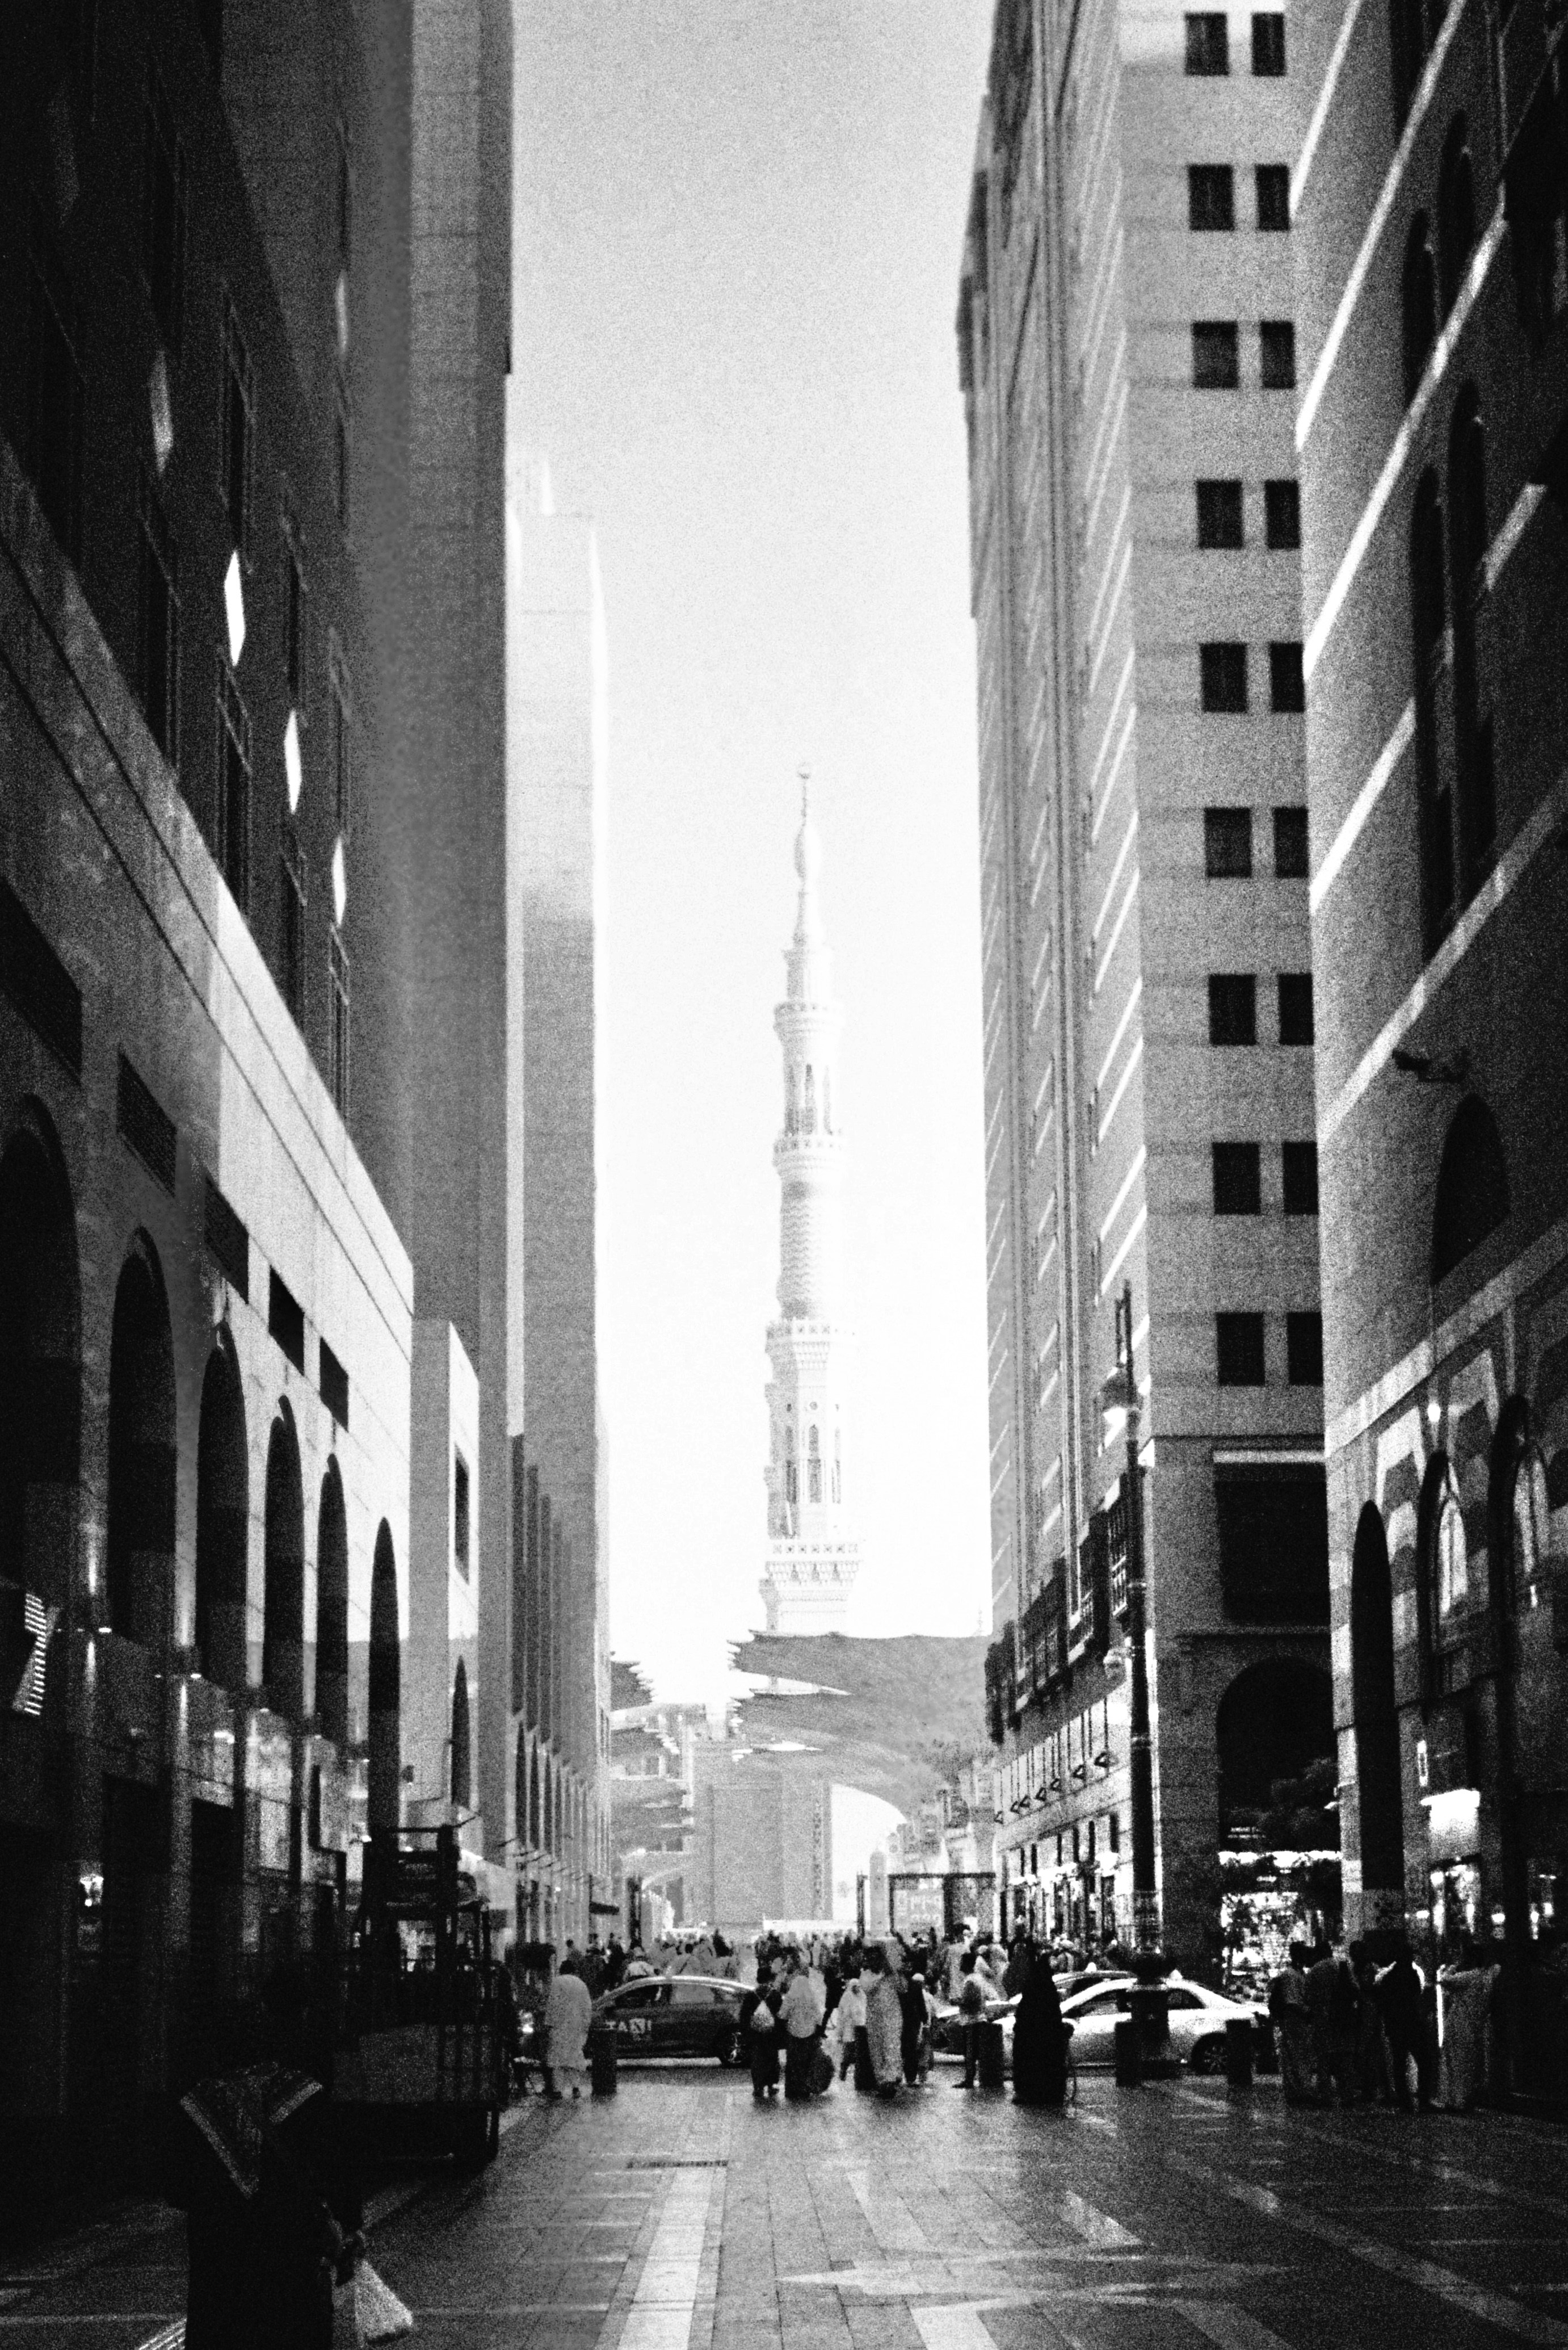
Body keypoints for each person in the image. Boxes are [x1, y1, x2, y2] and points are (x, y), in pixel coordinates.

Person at [1374, 1937, 1430, 2112]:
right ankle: (1423, 2099)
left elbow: (1383, 2002)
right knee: (1423, 2060)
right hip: (1412, 2023)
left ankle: (1404, 2101)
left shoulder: (1388, 1977)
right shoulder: (1412, 1974)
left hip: (1396, 2025)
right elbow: (1417, 1998)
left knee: (1399, 2063)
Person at [1011, 1962, 1067, 2107]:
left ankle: (1030, 2092)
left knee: (1029, 2064)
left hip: (1029, 2038)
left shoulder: (1030, 1991)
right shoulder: (1050, 1991)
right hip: (1049, 2038)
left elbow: (1022, 2016)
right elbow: (1055, 2016)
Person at [1268, 1942, 1315, 2104]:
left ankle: (1300, 2090)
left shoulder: (1297, 1973)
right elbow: (1292, 2002)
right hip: (1295, 2021)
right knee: (1296, 2057)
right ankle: (1300, 2092)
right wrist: (1308, 2013)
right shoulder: (1291, 1975)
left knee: (1299, 2056)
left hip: (1299, 2021)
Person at [543, 1953, 593, 2101]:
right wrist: (585, 2026)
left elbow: (553, 2004)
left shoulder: (557, 1982)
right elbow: (587, 2007)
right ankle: (576, 2088)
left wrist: (548, 2023)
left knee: (557, 2060)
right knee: (574, 2057)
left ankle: (558, 2090)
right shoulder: (581, 1984)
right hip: (577, 2027)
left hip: (559, 2026)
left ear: (561, 1970)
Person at [865, 1944, 906, 2099]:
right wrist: (883, 1974)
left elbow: (903, 1988)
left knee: (892, 2049)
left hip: (893, 2019)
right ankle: (882, 2083)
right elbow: (868, 1988)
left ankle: (890, 2082)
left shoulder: (891, 1976)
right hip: (874, 2021)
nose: (873, 1962)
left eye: (877, 1958)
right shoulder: (866, 1975)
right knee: (877, 2052)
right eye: (871, 1959)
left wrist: (894, 1973)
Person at [780, 1958, 821, 2103]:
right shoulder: (811, 1997)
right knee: (806, 2062)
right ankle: (805, 2088)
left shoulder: (791, 1997)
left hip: (793, 2033)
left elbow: (782, 2014)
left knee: (793, 2062)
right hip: (809, 2034)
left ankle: (792, 2090)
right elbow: (818, 2016)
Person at [742, 1971, 781, 2101]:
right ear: (770, 1979)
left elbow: (744, 2015)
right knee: (772, 2059)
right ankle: (771, 2085)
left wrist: (747, 2033)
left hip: (756, 2034)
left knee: (757, 2060)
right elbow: (780, 2016)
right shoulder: (775, 1995)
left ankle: (758, 2088)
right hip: (771, 2034)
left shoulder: (751, 1995)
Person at [952, 1950, 987, 2090]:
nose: (959, 1964)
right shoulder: (977, 1978)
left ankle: (969, 2080)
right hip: (977, 2018)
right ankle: (970, 2078)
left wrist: (957, 2001)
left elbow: (969, 2000)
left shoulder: (971, 1981)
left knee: (970, 2052)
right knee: (972, 2052)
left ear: (967, 1964)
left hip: (971, 2021)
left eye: (961, 1962)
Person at [831, 1974, 868, 2080]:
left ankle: (859, 2075)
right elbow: (843, 2015)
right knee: (848, 2053)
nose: (857, 1989)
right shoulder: (847, 1997)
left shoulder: (862, 1996)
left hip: (861, 2028)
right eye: (855, 1987)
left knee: (860, 2053)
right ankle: (843, 2072)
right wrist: (840, 2033)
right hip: (849, 2029)